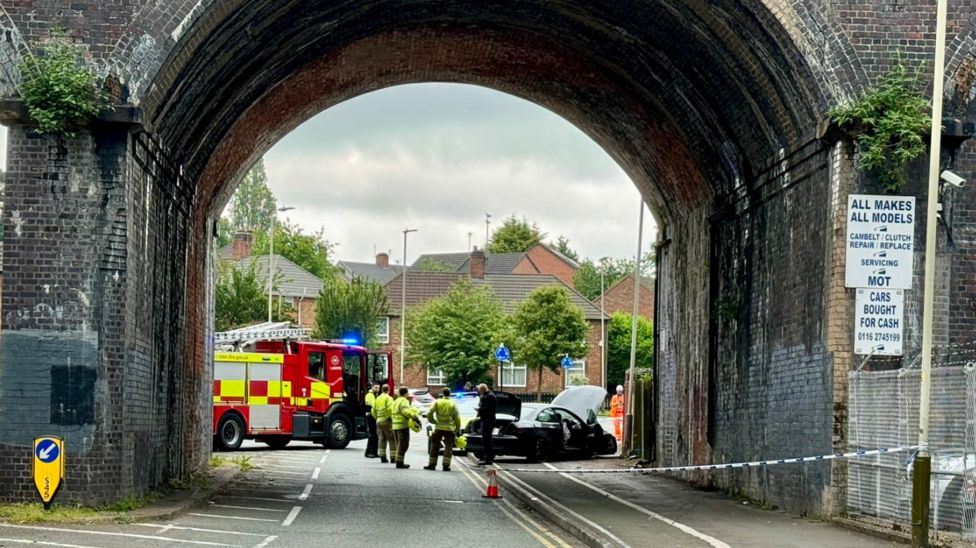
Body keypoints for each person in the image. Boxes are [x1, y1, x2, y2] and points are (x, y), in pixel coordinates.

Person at [424, 388, 461, 471]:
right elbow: (457, 417)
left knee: (435, 446)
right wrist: (457, 428)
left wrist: (433, 421)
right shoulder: (453, 404)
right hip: (449, 429)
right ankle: (446, 465)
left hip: (438, 427)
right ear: (450, 394)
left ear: (442, 394)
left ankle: (432, 465)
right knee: (448, 447)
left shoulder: (437, 402)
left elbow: (429, 413)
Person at [391, 387, 420, 469]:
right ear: (406, 393)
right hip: (402, 425)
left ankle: (399, 461)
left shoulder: (395, 401)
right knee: (403, 444)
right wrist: (414, 415)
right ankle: (399, 463)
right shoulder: (404, 401)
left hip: (395, 425)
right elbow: (406, 412)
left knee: (398, 444)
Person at [372, 384, 396, 463]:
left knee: (382, 439)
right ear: (388, 390)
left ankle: (382, 457)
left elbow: (373, 410)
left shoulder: (377, 398)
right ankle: (393, 458)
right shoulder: (389, 398)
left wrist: (377, 417)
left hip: (379, 421)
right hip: (386, 421)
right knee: (392, 439)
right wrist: (391, 418)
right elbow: (390, 409)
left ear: (382, 390)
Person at [477, 383, 497, 465]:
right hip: (485, 420)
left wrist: (479, 409)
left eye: (479, 391)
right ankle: (487, 457)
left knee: (487, 440)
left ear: (483, 389)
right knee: (485, 440)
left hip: (488, 420)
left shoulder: (490, 396)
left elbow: (488, 409)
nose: (479, 392)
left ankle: (489, 459)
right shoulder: (486, 396)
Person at [363, 383, 380, 458]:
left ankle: (374, 452)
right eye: (376, 387)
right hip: (370, 416)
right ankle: (369, 452)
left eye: (378, 388)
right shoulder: (370, 395)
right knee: (372, 434)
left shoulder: (374, 395)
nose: (377, 389)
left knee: (375, 435)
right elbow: (374, 405)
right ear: (372, 387)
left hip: (372, 416)